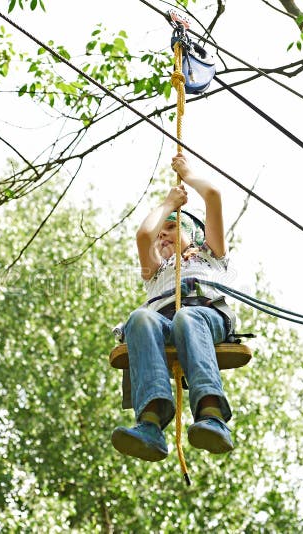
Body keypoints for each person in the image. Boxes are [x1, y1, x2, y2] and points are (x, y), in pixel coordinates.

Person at [111, 153, 236, 462]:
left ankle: (210, 412)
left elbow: (213, 196)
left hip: (205, 317)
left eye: (172, 227)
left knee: (187, 316)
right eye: (161, 231)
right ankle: (151, 423)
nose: (162, 234)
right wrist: (167, 204)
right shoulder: (158, 272)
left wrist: (188, 174)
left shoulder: (210, 256)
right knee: (140, 318)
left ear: (192, 233)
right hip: (167, 326)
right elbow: (143, 235)